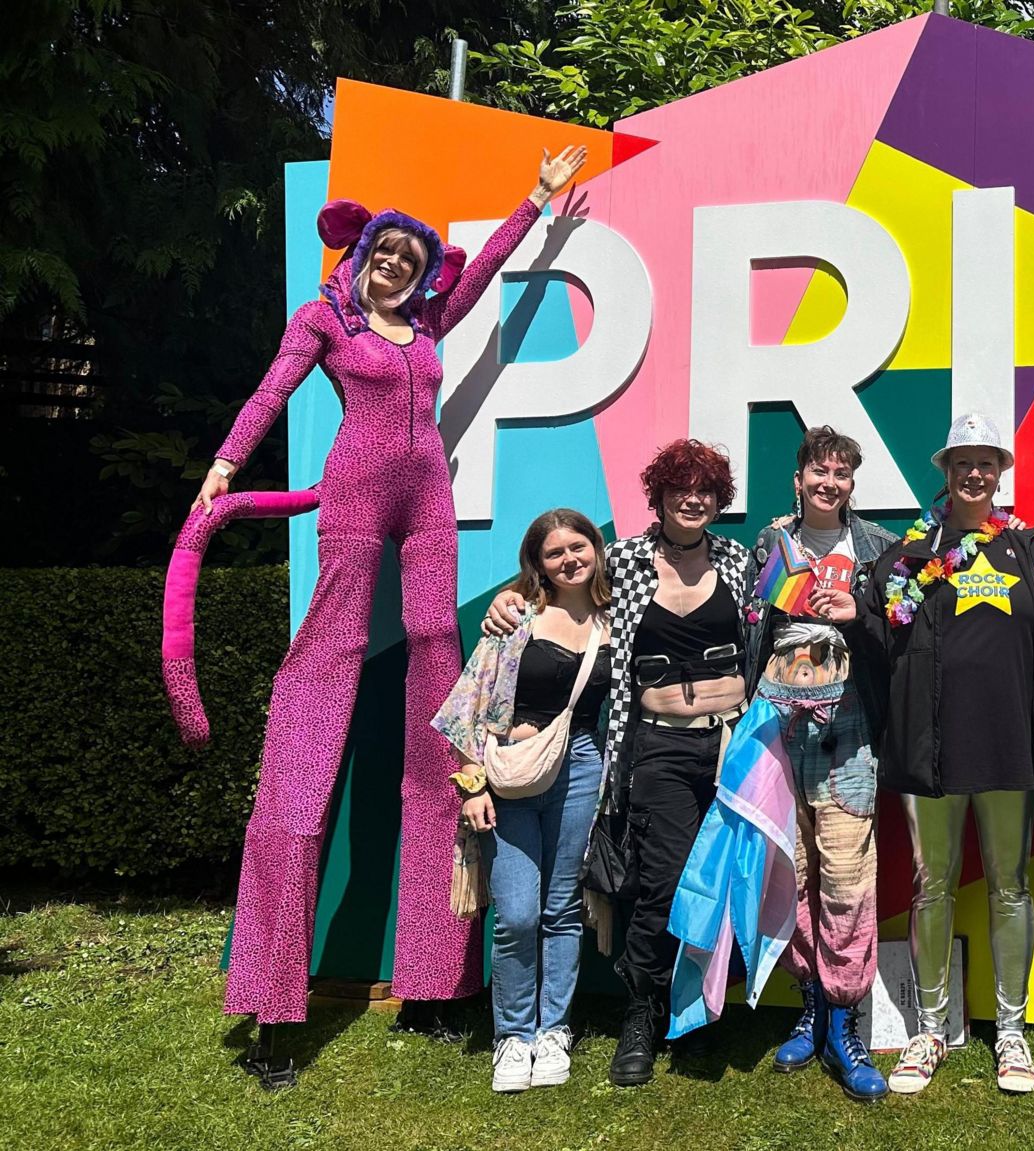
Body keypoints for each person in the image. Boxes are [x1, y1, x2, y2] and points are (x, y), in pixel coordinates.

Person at [178, 144, 587, 1083]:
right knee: (321, 676)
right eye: (386, 253)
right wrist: (229, 462)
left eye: (412, 256)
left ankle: (436, 983)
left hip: (428, 505)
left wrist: (534, 201)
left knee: (442, 700)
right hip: (358, 502)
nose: (399, 266)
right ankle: (274, 1003)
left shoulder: (433, 321)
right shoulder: (325, 319)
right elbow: (273, 388)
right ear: (361, 258)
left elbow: (483, 279)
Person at [485, 438, 752, 1088]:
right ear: (658, 496)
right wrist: (506, 601)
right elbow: (564, 596)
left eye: (706, 488)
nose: (693, 498)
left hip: (733, 743)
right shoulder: (628, 560)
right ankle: (641, 1014)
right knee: (658, 885)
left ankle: (702, 1016)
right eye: (679, 487)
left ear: (719, 499)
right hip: (658, 745)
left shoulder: (742, 560)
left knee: (724, 882)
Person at [829, 413, 1034, 1097]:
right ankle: (930, 1028)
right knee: (933, 882)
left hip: (1008, 745)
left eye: (986, 461)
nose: (974, 473)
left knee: (1010, 882)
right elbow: (878, 640)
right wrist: (851, 614)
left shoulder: (1032, 554)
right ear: (946, 471)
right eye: (962, 461)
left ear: (1000, 471)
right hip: (929, 749)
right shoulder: (905, 558)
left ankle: (1012, 1031)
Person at [432, 509, 612, 1093]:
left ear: (595, 548)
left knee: (561, 908)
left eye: (577, 546)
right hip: (511, 776)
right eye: (554, 552)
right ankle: (513, 1034)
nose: (569, 560)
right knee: (516, 913)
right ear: (537, 563)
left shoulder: (617, 621)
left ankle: (552, 1029)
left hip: (583, 767)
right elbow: (469, 703)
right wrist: (472, 783)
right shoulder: (516, 620)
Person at [745, 427, 899, 1102]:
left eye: (840, 472)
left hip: (850, 732)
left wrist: (859, 613)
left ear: (851, 484)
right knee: (795, 873)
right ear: (798, 478)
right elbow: (754, 628)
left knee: (845, 877)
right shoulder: (771, 543)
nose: (828, 481)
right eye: (818, 470)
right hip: (781, 729)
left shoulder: (875, 549)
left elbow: (898, 636)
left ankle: (846, 1020)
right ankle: (811, 1007)